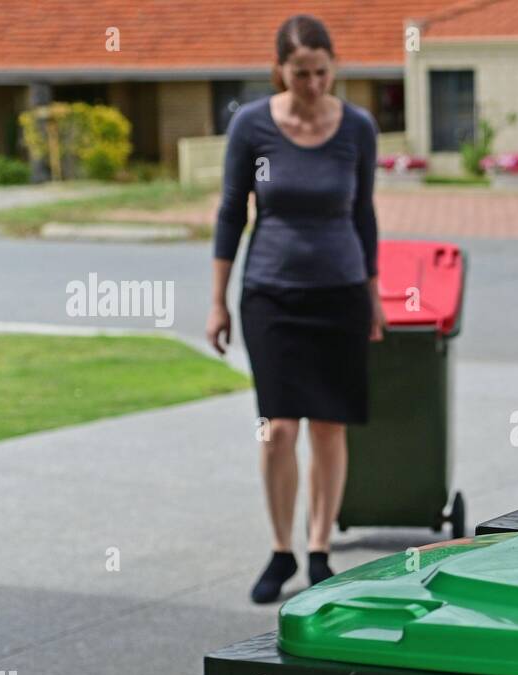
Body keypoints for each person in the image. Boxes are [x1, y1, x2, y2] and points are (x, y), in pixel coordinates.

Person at [207, 13, 385, 603]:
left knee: (329, 427)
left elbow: (364, 215)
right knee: (278, 429)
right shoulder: (253, 127)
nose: (312, 84)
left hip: (339, 292)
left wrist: (372, 293)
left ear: (334, 68)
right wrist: (218, 301)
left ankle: (319, 549)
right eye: (300, 73)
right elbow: (233, 212)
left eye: (321, 73)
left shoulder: (356, 127)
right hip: (270, 293)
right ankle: (281, 550)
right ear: (278, 71)